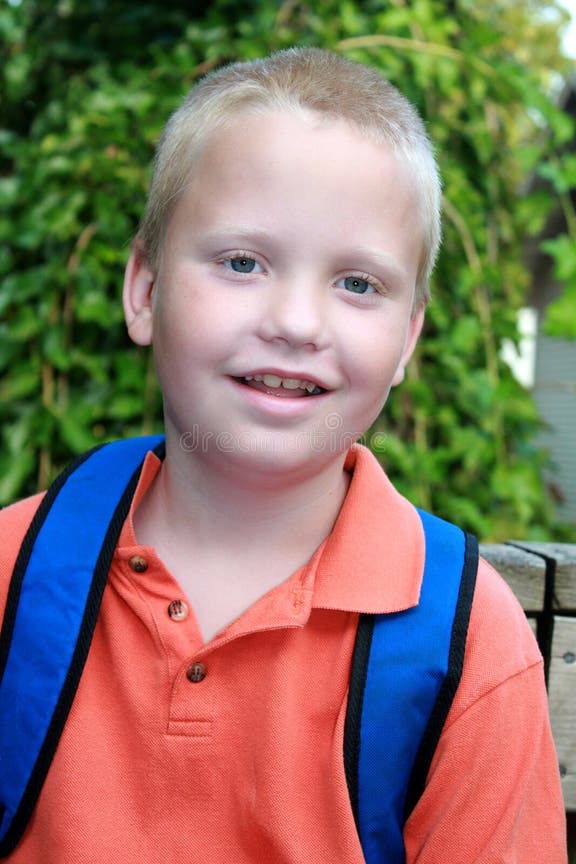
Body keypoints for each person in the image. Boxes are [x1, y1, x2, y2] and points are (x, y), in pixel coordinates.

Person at [0, 47, 567, 862]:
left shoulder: (469, 643)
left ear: (409, 340)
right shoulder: (13, 577)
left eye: (358, 284)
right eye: (242, 262)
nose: (298, 322)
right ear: (145, 290)